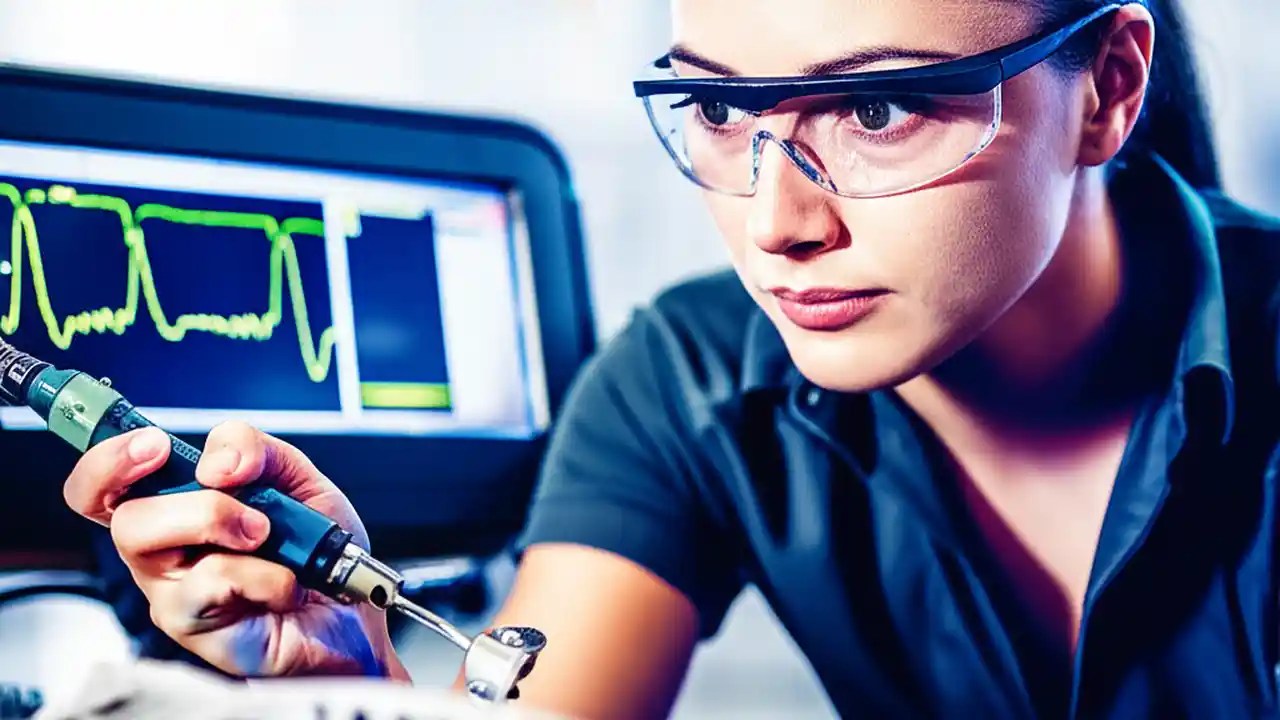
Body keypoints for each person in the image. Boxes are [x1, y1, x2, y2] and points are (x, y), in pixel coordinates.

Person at [61, 0, 1280, 717]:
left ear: (1108, 86)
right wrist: (352, 676)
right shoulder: (688, 378)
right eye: (718, 112)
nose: (776, 225)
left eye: (874, 111)